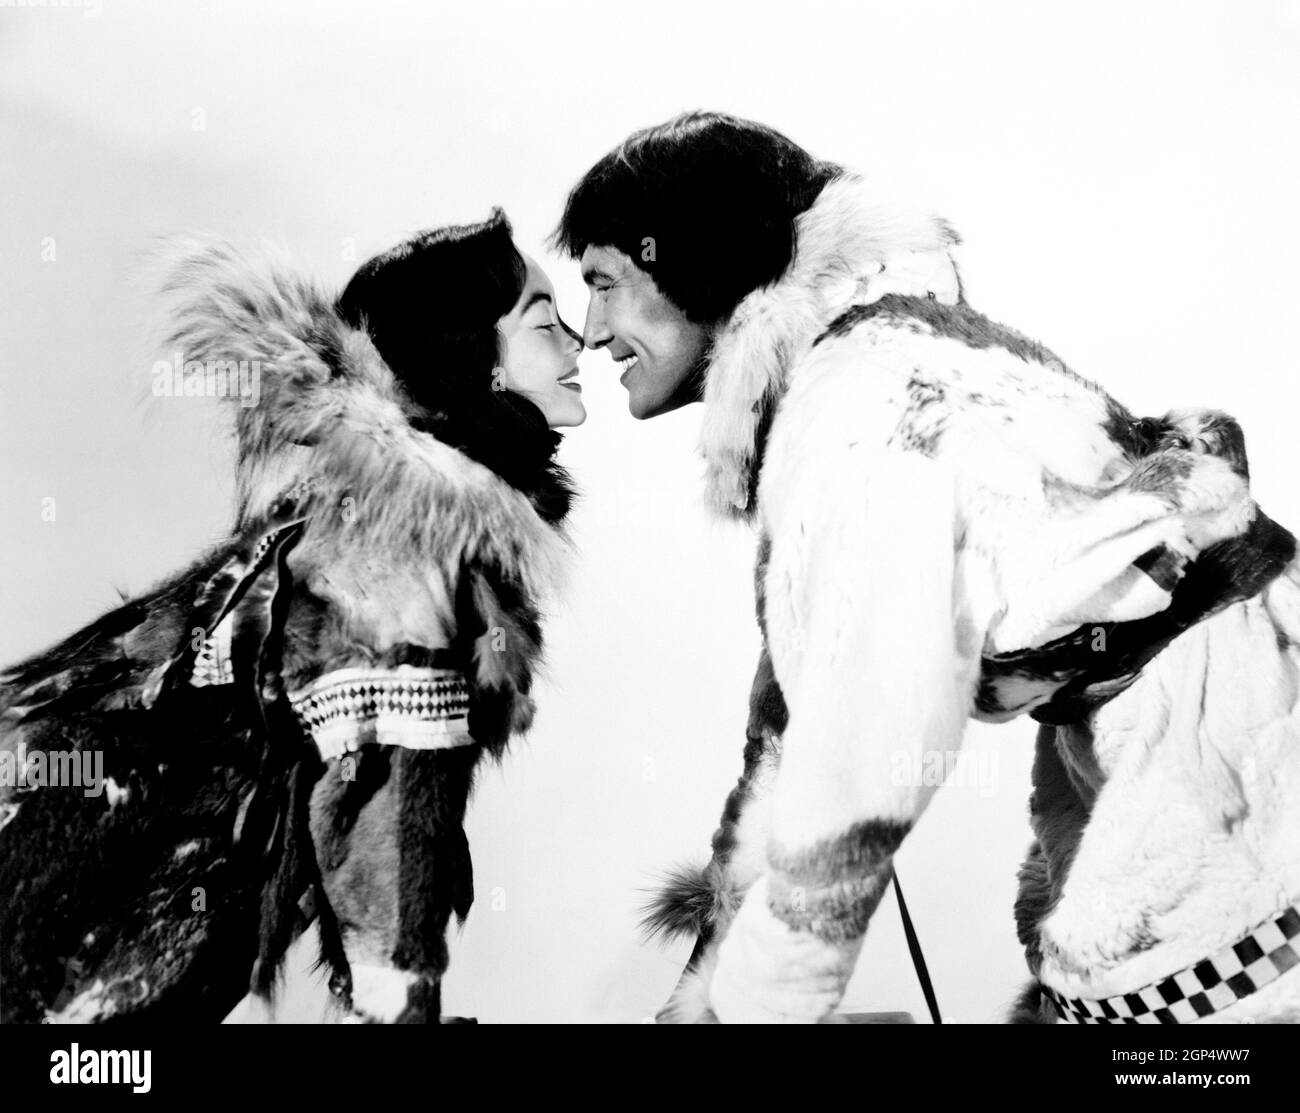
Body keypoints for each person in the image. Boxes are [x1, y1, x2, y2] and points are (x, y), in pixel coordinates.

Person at [554, 111, 1277, 1023]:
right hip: (1227, 786)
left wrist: (751, 1007)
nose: (589, 329)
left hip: (1243, 827)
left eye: (607, 282)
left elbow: (865, 746)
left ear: (691, 261)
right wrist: (705, 988)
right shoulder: (889, 367)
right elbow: (793, 727)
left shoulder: (859, 406)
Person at [0, 209, 585, 1023]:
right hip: (88, 901)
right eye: (544, 321)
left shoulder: (367, 511)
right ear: (468, 352)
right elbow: (377, 804)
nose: (578, 344)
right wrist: (399, 1006)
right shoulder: (401, 547)